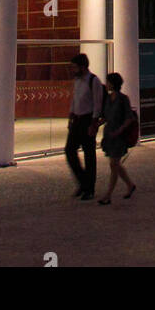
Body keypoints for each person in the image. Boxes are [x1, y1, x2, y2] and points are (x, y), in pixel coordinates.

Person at [65, 53, 104, 200]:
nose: (72, 70)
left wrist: (94, 124)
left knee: (89, 155)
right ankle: (83, 181)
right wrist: (71, 116)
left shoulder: (93, 81)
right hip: (77, 119)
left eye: (74, 67)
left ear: (82, 67)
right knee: (69, 150)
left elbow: (97, 103)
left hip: (88, 120)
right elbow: (75, 100)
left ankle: (89, 188)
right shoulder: (77, 81)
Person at [97, 72, 137, 205]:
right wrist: (95, 125)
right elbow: (105, 116)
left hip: (119, 136)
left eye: (108, 82)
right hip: (109, 135)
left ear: (113, 83)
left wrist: (120, 130)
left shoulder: (123, 99)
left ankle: (108, 195)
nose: (106, 84)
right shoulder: (107, 99)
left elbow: (129, 118)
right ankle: (130, 185)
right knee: (115, 164)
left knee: (113, 164)